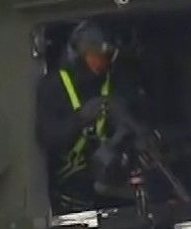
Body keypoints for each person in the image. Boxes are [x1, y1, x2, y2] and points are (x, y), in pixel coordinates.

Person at [35, 20, 141, 213]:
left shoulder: (116, 83)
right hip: (70, 197)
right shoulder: (53, 87)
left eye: (107, 55)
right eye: (95, 55)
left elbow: (135, 126)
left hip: (112, 191)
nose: (101, 61)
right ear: (79, 53)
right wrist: (80, 118)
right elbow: (47, 138)